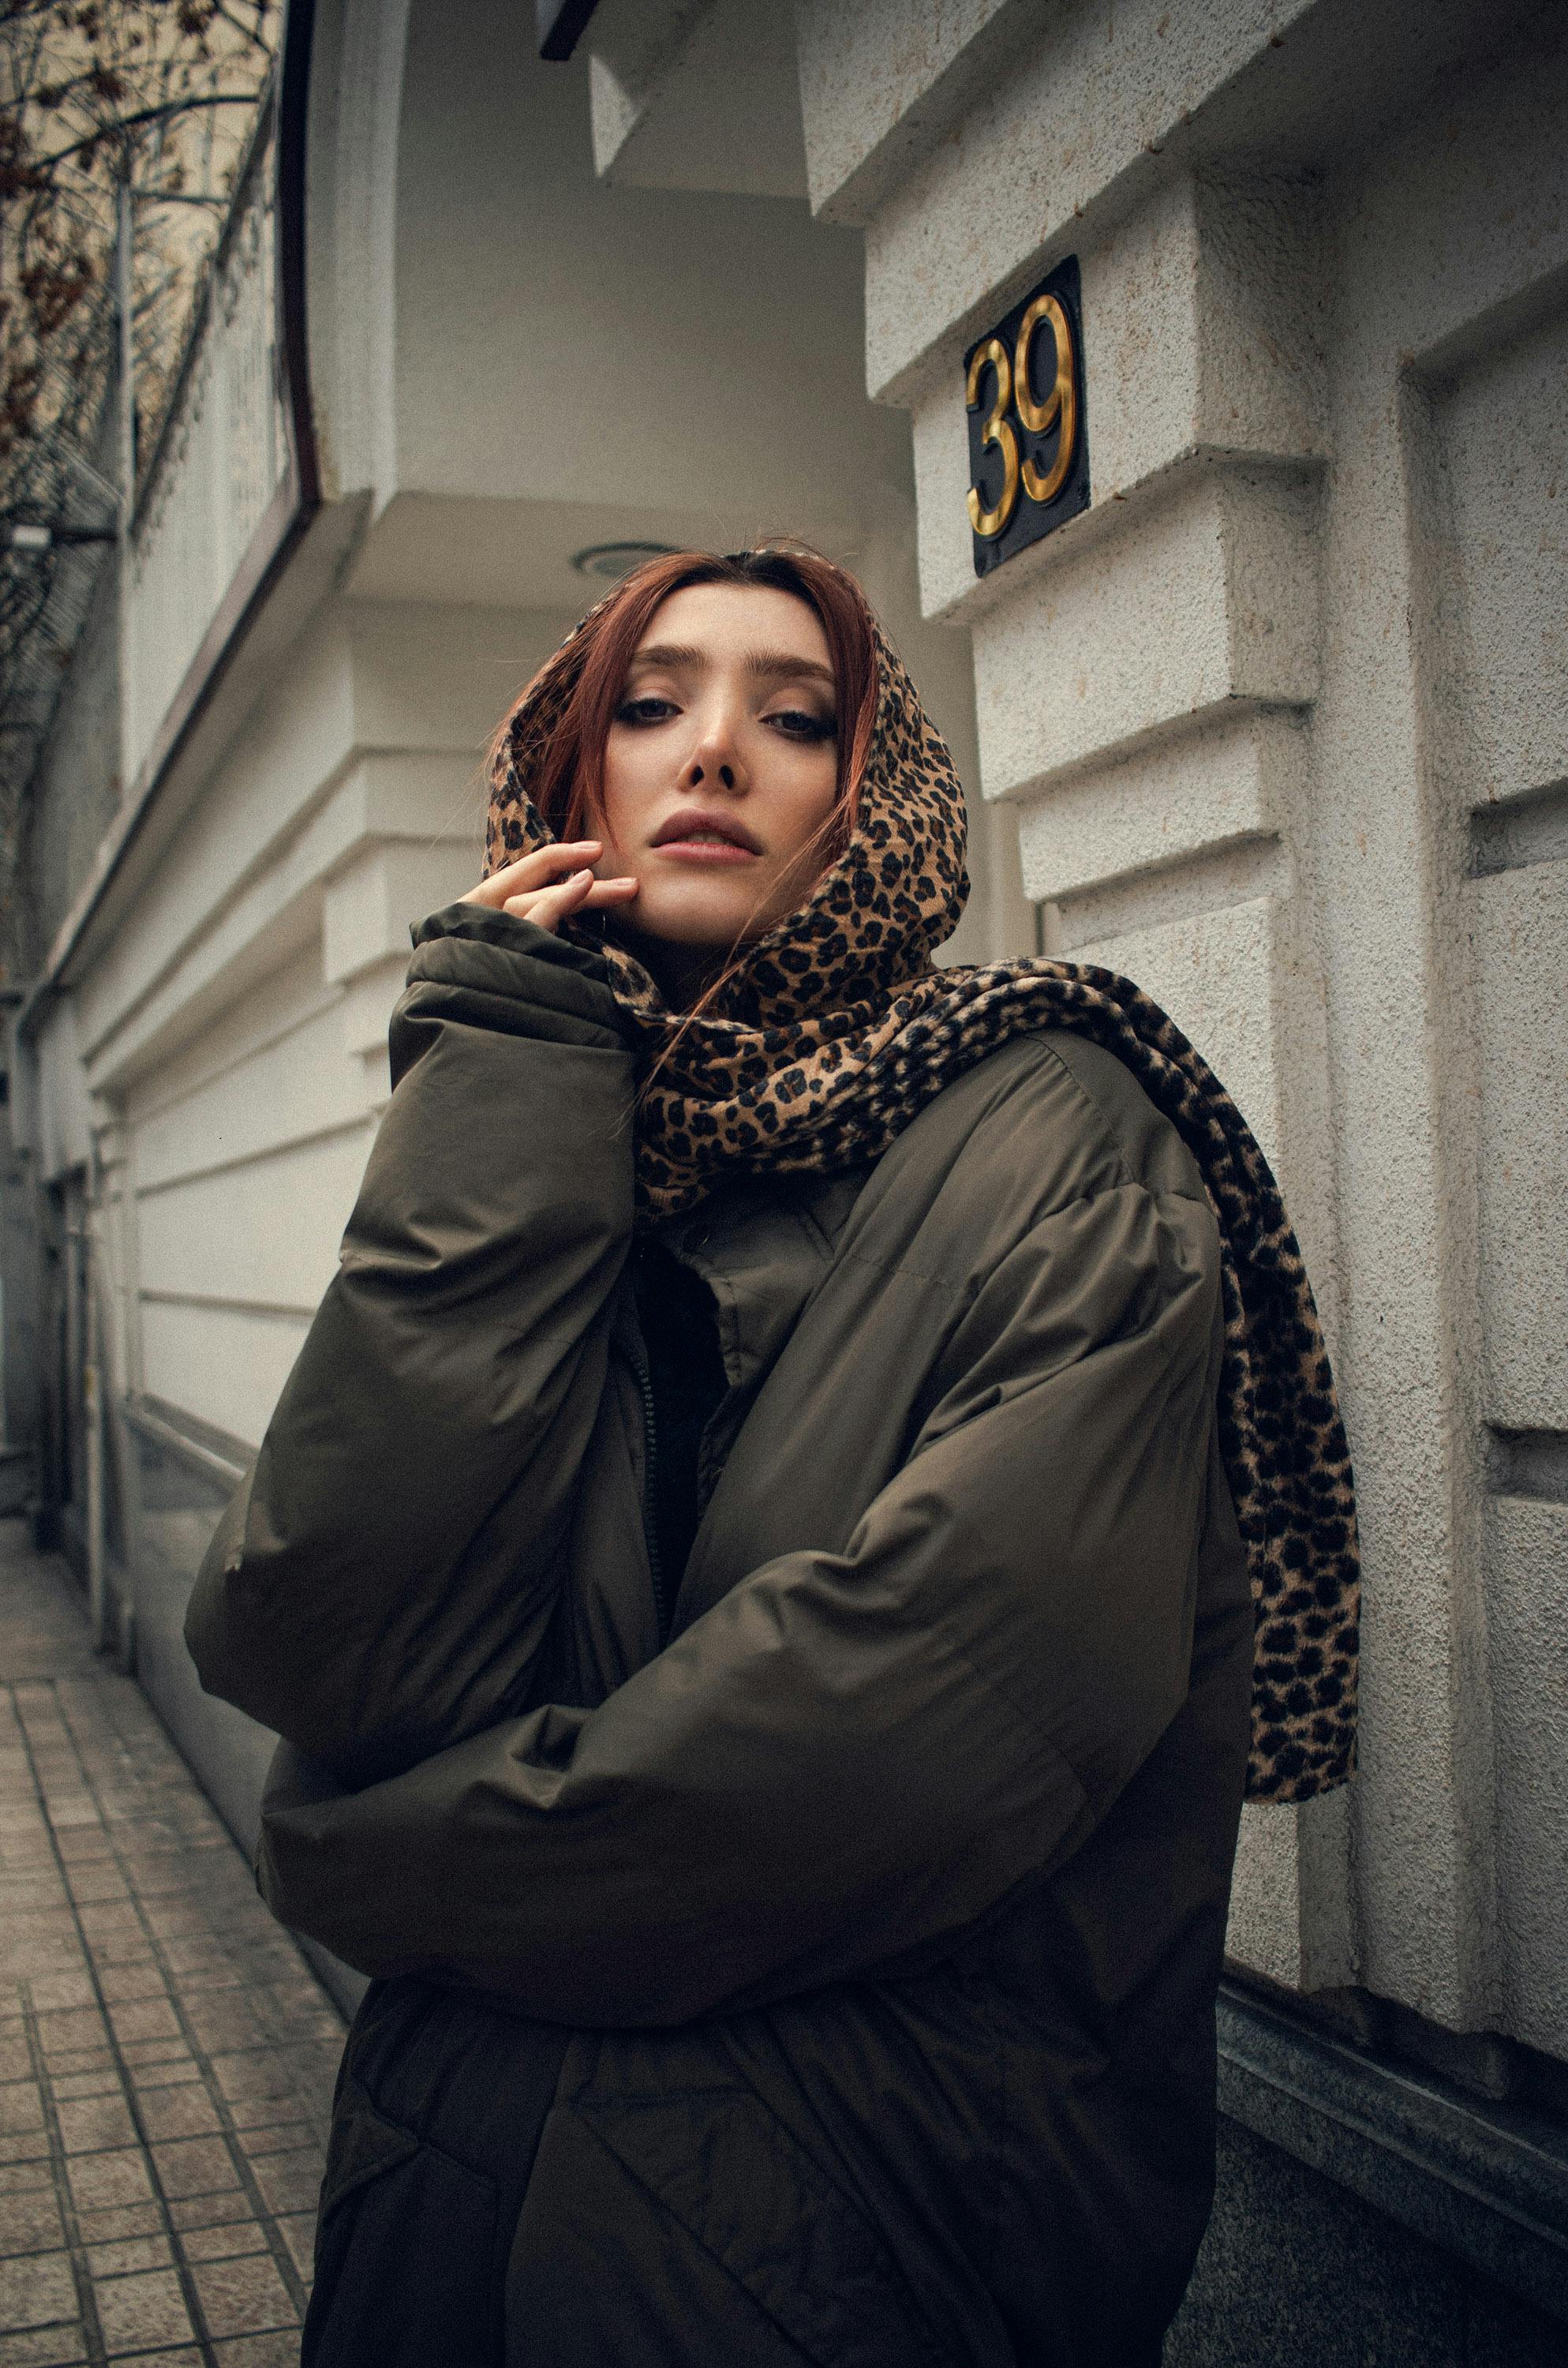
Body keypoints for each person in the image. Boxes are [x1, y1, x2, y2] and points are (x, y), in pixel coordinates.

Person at [185, 546, 1360, 2368]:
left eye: (793, 716)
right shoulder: (535, 1122)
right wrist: (500, 1066)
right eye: (646, 705)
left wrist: (369, 1862)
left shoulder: (1056, 1127)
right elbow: (327, 1649)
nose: (713, 750)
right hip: (448, 2206)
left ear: (866, 798)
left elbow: (885, 1750)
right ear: (570, 786)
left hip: (845, 2227)